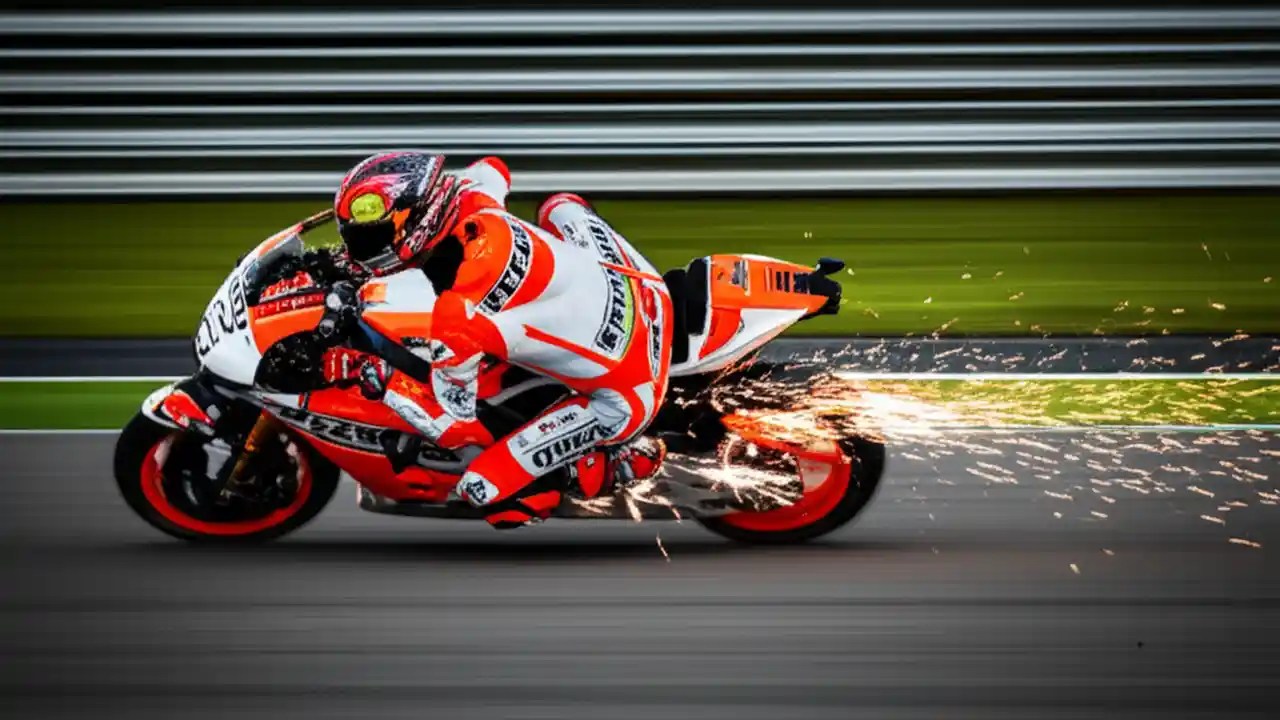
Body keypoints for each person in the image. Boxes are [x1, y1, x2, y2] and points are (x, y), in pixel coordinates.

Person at [321, 152, 671, 528]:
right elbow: (493, 166)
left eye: (368, 240)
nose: (360, 252)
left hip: (628, 390)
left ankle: (606, 464)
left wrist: (379, 380)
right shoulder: (471, 195)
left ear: (417, 228)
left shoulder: (458, 315)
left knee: (482, 489)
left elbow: (455, 421)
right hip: (639, 286)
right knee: (560, 206)